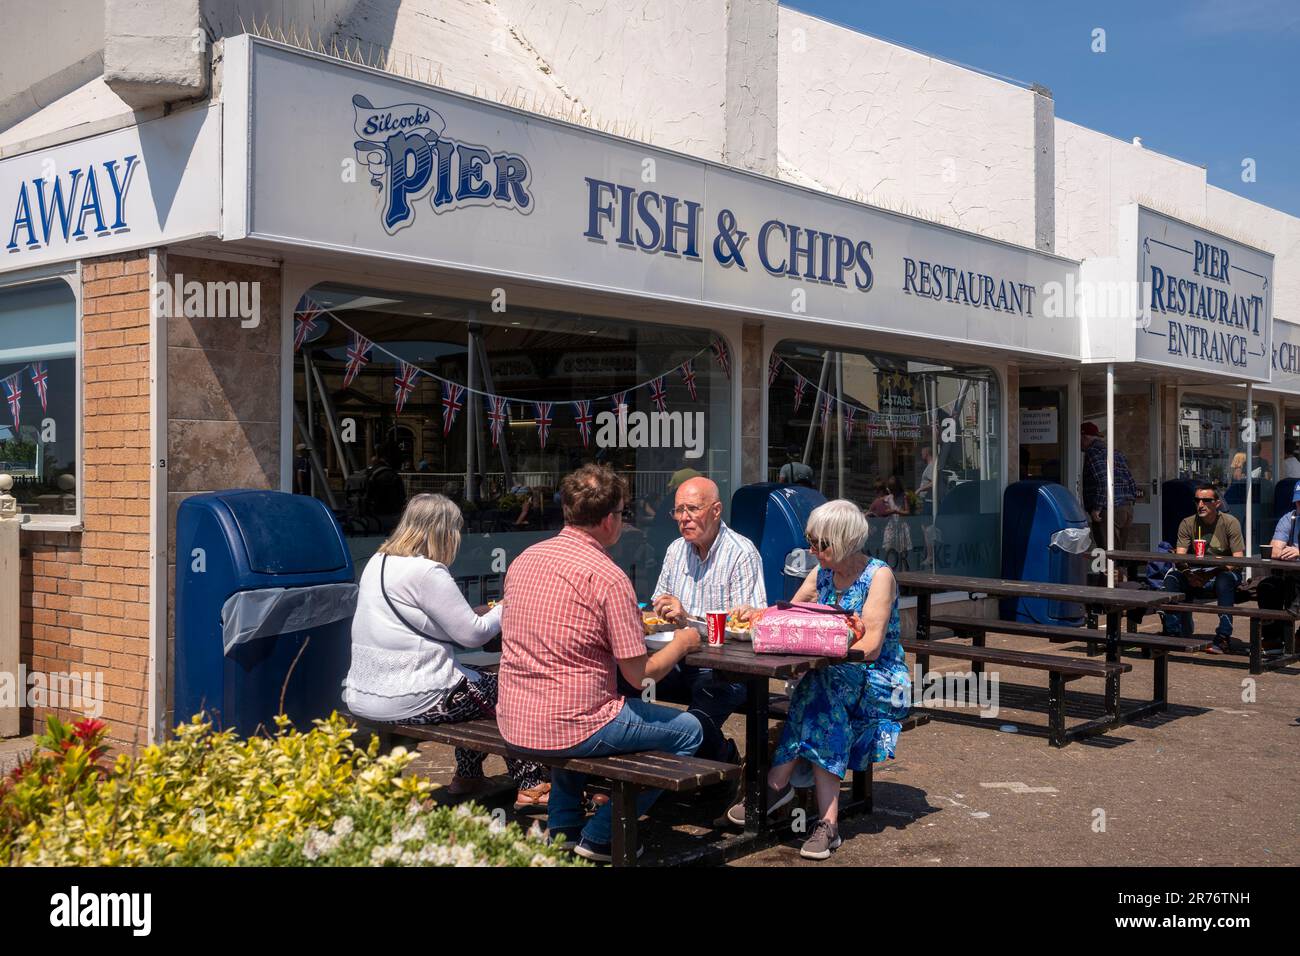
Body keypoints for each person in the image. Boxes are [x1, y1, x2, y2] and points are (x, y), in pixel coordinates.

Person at [497, 464, 704, 862]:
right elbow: (639, 674)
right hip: (571, 723)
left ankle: (563, 828)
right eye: (623, 513)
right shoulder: (607, 577)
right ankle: (603, 834)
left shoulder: (525, 560)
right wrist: (683, 642)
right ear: (610, 519)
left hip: (515, 718)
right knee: (688, 730)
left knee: (568, 707)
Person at [727, 499, 910, 860]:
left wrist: (825, 648)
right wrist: (759, 614)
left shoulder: (878, 575)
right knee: (821, 692)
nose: (813, 550)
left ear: (843, 541)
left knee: (819, 686)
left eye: (821, 544)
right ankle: (828, 823)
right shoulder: (821, 573)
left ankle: (776, 783)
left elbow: (871, 647)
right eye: (811, 541)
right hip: (831, 677)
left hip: (882, 678)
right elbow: (792, 617)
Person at [342, 494, 549, 809]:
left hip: (365, 694)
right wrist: (508, 604)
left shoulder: (378, 561)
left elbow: (421, 622)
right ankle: (532, 784)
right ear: (442, 531)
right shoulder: (427, 572)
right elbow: (472, 635)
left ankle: (467, 776)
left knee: (477, 682)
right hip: (411, 698)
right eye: (456, 530)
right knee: (514, 688)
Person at [650, 477, 765, 763]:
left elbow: (749, 629)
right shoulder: (676, 550)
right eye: (678, 511)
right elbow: (659, 604)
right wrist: (662, 610)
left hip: (726, 671)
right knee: (622, 687)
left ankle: (725, 760)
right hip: (680, 661)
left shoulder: (741, 553)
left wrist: (688, 618)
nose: (683, 518)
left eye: (692, 509)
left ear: (716, 511)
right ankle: (618, 771)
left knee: (694, 723)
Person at [1162, 484, 1245, 654]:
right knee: (1171, 578)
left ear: (1217, 503)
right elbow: (1180, 557)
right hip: (1195, 572)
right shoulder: (1188, 523)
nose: (1200, 505)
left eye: (1206, 500)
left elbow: (1238, 559)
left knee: (1225, 579)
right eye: (1197, 500)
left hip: (1223, 573)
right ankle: (1172, 632)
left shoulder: (1230, 522)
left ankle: (1223, 637)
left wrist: (1212, 573)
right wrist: (1188, 574)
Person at [1256, 483, 1300, 658]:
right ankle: (1273, 638)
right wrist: (1287, 552)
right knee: (1267, 586)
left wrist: (1298, 552)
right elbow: (1274, 549)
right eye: (1298, 502)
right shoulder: (1289, 518)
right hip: (1289, 574)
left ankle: (1295, 636)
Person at [1080, 422, 1137, 555]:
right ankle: (1121, 576)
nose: (1079, 444)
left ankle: (1112, 576)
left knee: (1109, 556)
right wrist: (1129, 502)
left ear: (1085, 437)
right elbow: (1131, 481)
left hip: (1109, 510)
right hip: (1125, 509)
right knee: (1120, 554)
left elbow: (1103, 481)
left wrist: (1097, 508)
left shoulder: (1093, 452)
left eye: (1080, 439)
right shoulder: (1115, 452)